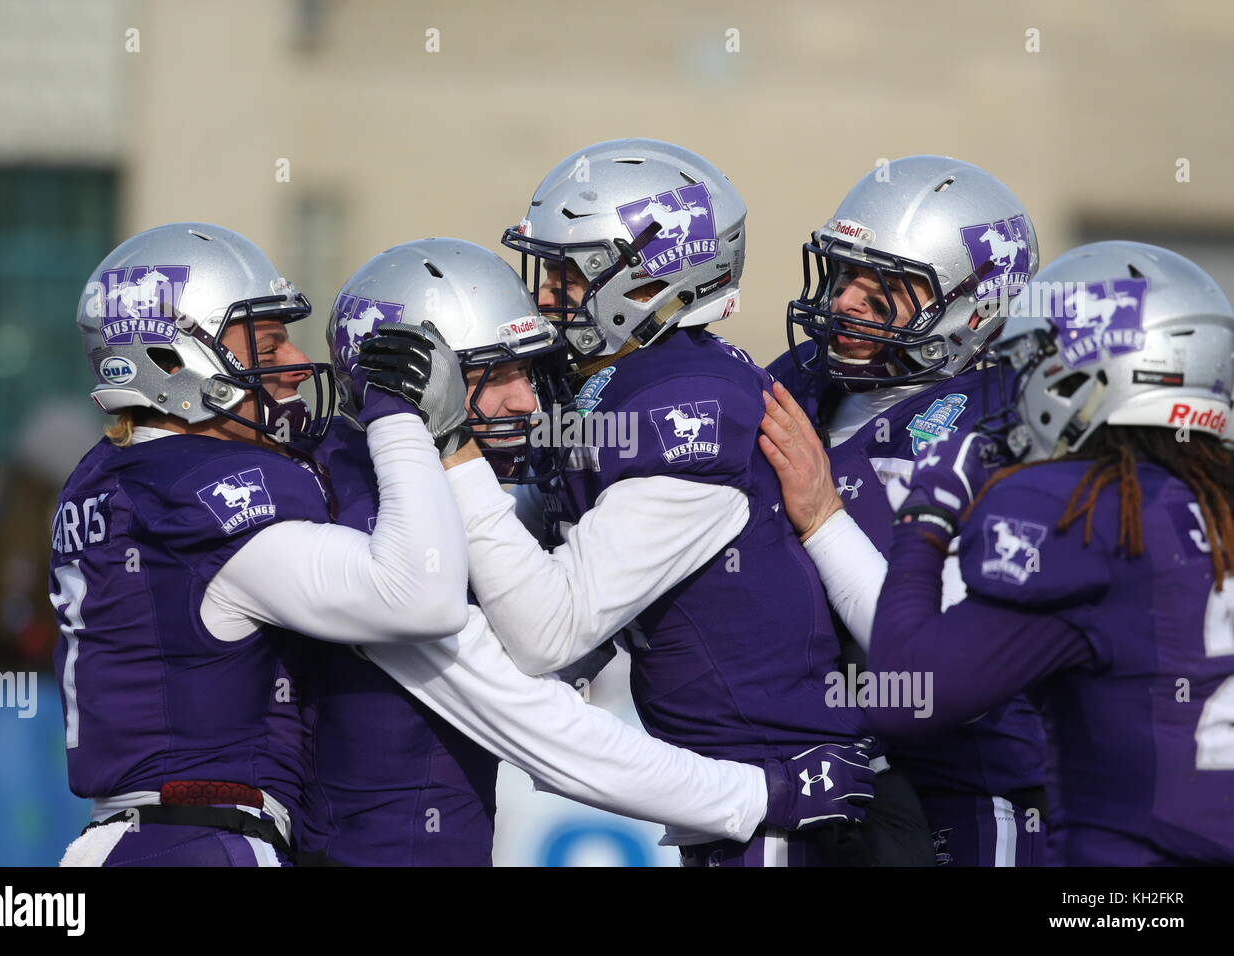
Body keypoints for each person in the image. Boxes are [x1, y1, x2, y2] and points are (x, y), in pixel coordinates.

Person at [299, 237, 874, 865]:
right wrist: (759, 793)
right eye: (489, 376)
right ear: (400, 387)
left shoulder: (408, 494)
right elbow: (545, 728)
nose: (525, 402)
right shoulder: (371, 525)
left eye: (528, 370)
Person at [770, 240, 1234, 865]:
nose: (1026, 391)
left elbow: (916, 693)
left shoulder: (1087, 514)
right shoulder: (1205, 507)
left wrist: (923, 520)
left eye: (1047, 367)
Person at [50, 222, 470, 866]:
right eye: (267, 347)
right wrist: (401, 424)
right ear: (173, 362)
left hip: (136, 836)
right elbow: (423, 595)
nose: (294, 367)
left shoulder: (111, 473)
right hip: (197, 840)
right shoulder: (200, 488)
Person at [764, 156, 1048, 866]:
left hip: (966, 783)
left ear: (973, 308)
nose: (847, 302)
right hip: (821, 776)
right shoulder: (797, 381)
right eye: (844, 273)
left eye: (885, 285)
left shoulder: (1006, 422)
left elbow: (953, 674)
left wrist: (824, 517)